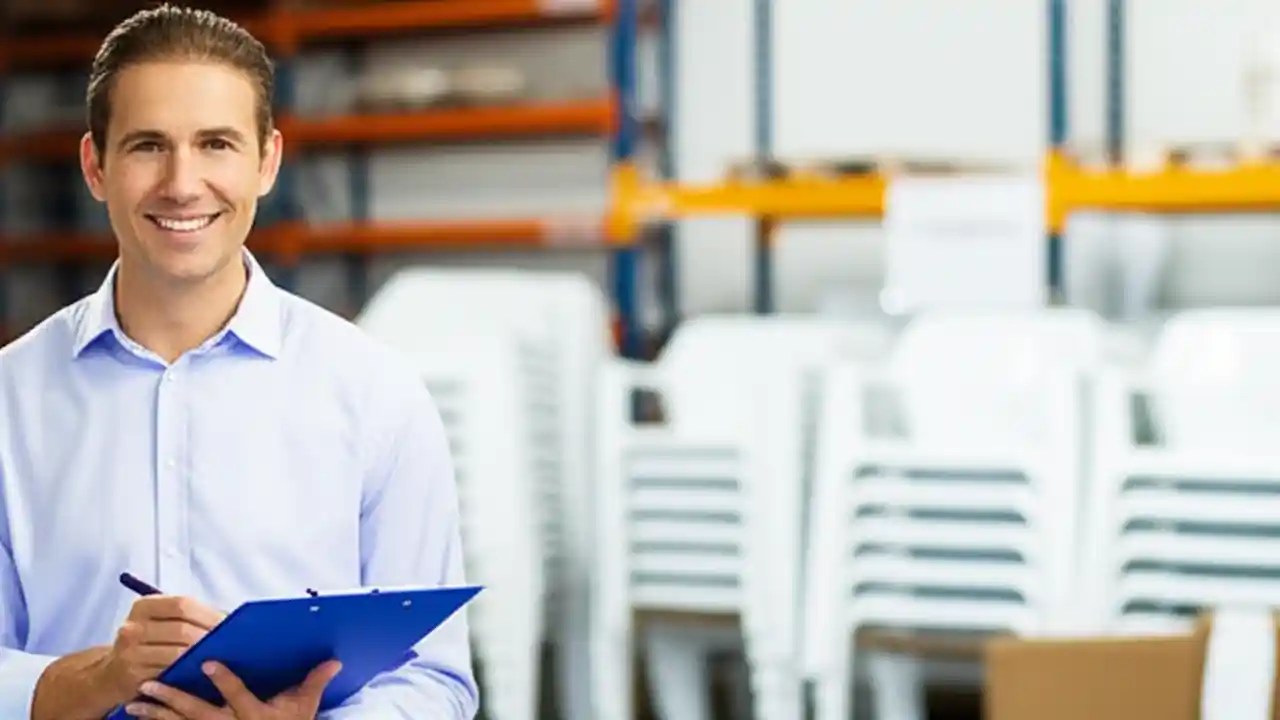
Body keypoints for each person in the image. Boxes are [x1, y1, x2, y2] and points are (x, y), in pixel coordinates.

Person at [0, 4, 479, 719]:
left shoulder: (376, 395)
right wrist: (89, 682)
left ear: (267, 161)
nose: (183, 183)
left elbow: (436, 683)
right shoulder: (11, 399)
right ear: (96, 167)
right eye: (147, 146)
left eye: (216, 144)